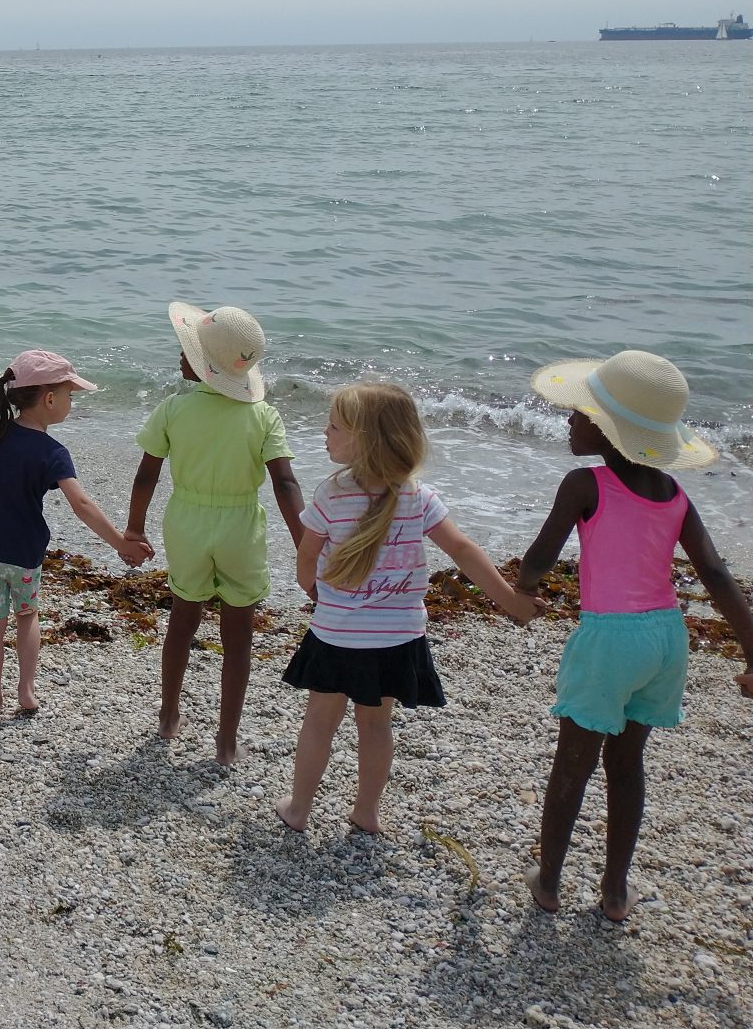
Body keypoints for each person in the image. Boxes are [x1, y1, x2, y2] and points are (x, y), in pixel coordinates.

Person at [518, 350, 753, 922]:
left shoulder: (584, 484)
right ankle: (615, 890)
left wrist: (523, 588)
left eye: (581, 412)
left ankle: (549, 882)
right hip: (667, 639)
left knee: (573, 764)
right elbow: (715, 573)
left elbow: (541, 556)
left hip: (611, 640)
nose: (570, 419)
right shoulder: (673, 493)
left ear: (607, 427)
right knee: (626, 765)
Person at [274, 383, 539, 836]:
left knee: (320, 721)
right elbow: (462, 548)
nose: (324, 432)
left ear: (364, 439)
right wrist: (510, 599)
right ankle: (367, 812)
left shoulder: (332, 494)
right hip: (397, 639)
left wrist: (312, 589)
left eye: (334, 427)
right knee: (376, 725)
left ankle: (299, 809)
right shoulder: (418, 496)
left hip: (337, 634)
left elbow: (306, 554)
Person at [125, 301, 305, 764]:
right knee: (238, 638)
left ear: (203, 365)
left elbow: (146, 475)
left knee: (183, 621)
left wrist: (134, 527)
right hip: (240, 526)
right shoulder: (263, 416)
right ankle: (226, 741)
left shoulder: (173, 409)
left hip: (186, 522)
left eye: (187, 351)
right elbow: (285, 484)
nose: (179, 355)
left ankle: (169, 716)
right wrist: (306, 544)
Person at [0, 351, 145, 719]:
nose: (72, 403)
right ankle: (26, 690)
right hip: (24, 552)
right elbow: (82, 504)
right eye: (70, 395)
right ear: (50, 399)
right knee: (26, 616)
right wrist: (119, 542)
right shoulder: (53, 452)